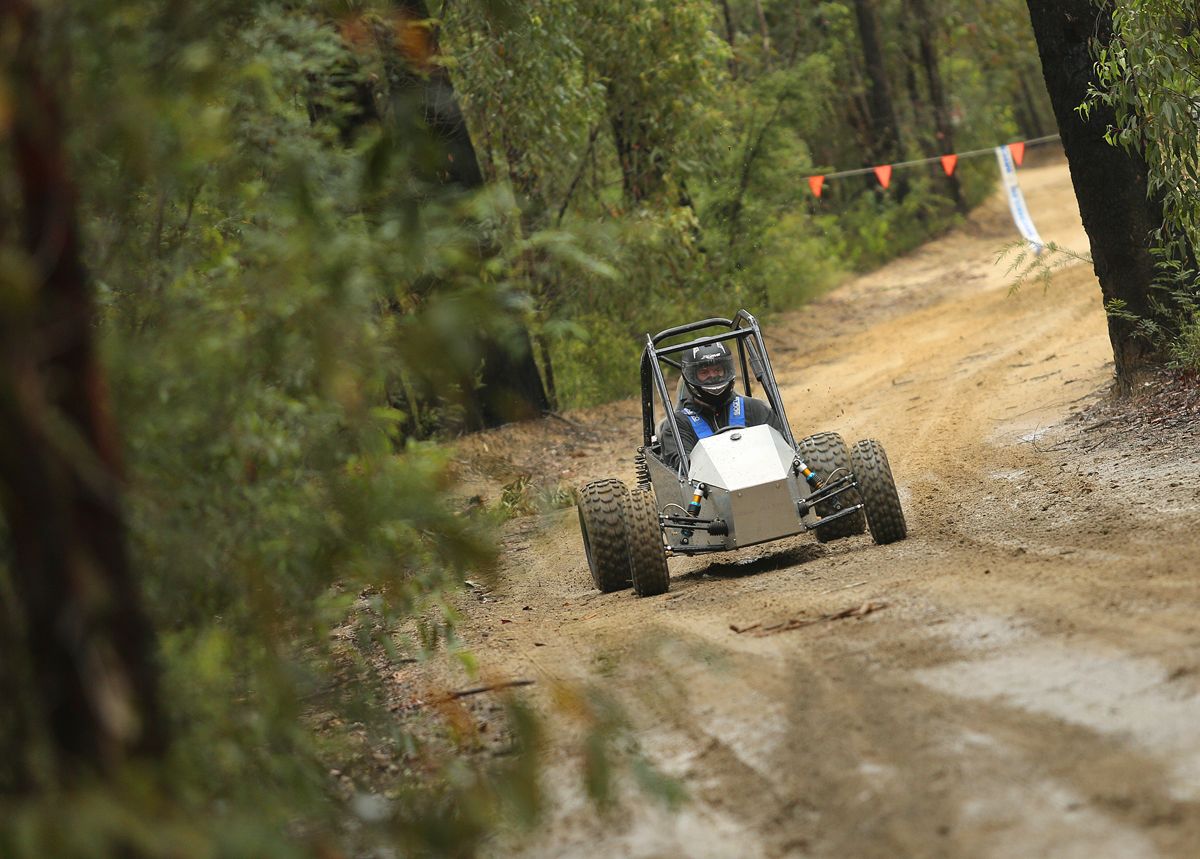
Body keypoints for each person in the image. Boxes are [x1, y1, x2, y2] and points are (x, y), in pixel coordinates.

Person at [660, 341, 787, 470]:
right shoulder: (678, 424)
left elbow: (783, 451)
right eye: (704, 372)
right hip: (707, 482)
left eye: (717, 370)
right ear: (692, 376)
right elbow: (683, 472)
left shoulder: (754, 408)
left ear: (727, 371)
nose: (713, 377)